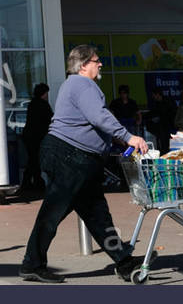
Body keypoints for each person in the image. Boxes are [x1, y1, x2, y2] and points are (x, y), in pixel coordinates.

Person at [18, 46, 149, 284]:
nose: (100, 65)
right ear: (83, 65)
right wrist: (129, 137)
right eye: (96, 61)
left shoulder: (76, 86)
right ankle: (32, 264)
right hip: (70, 156)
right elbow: (99, 116)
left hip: (77, 158)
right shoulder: (82, 85)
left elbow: (94, 123)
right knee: (54, 211)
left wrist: (115, 142)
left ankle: (124, 261)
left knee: (97, 213)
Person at [20, 84, 52, 192]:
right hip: (37, 137)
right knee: (35, 160)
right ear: (43, 93)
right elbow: (50, 119)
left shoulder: (32, 104)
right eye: (46, 93)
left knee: (33, 159)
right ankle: (34, 183)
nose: (47, 95)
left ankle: (31, 182)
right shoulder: (43, 105)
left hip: (29, 136)